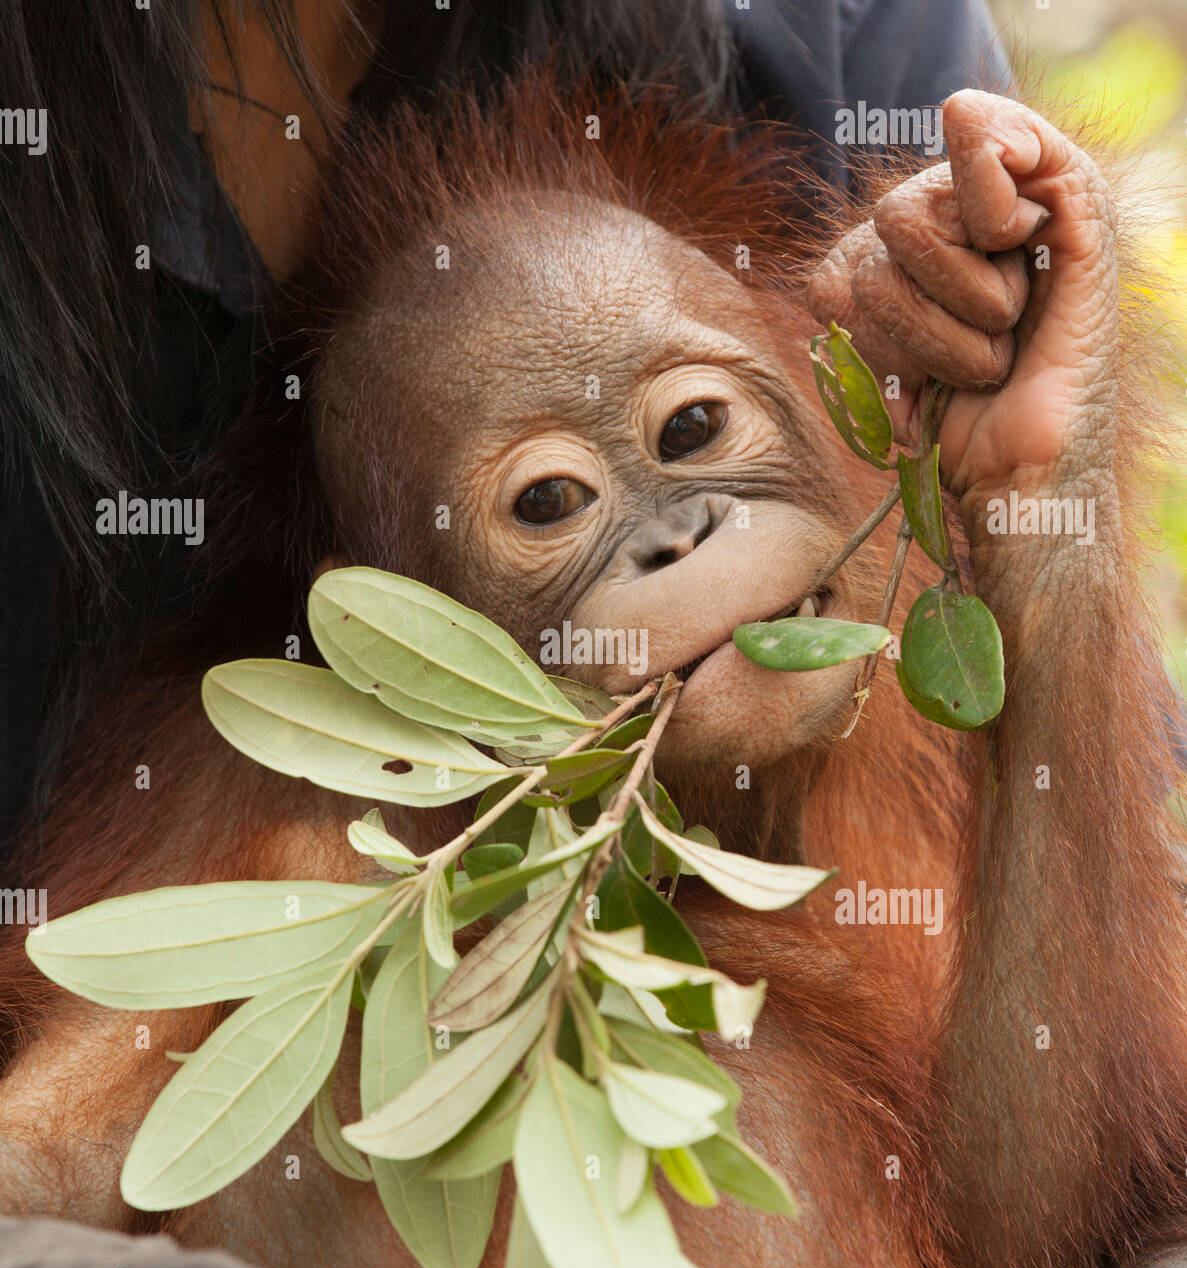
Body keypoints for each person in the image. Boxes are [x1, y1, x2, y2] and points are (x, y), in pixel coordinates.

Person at [0, 0, 1010, 861]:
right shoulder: (294, 813)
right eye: (546, 499)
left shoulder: (832, 37)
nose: (676, 537)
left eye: (693, 424)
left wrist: (1042, 513)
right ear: (391, 631)